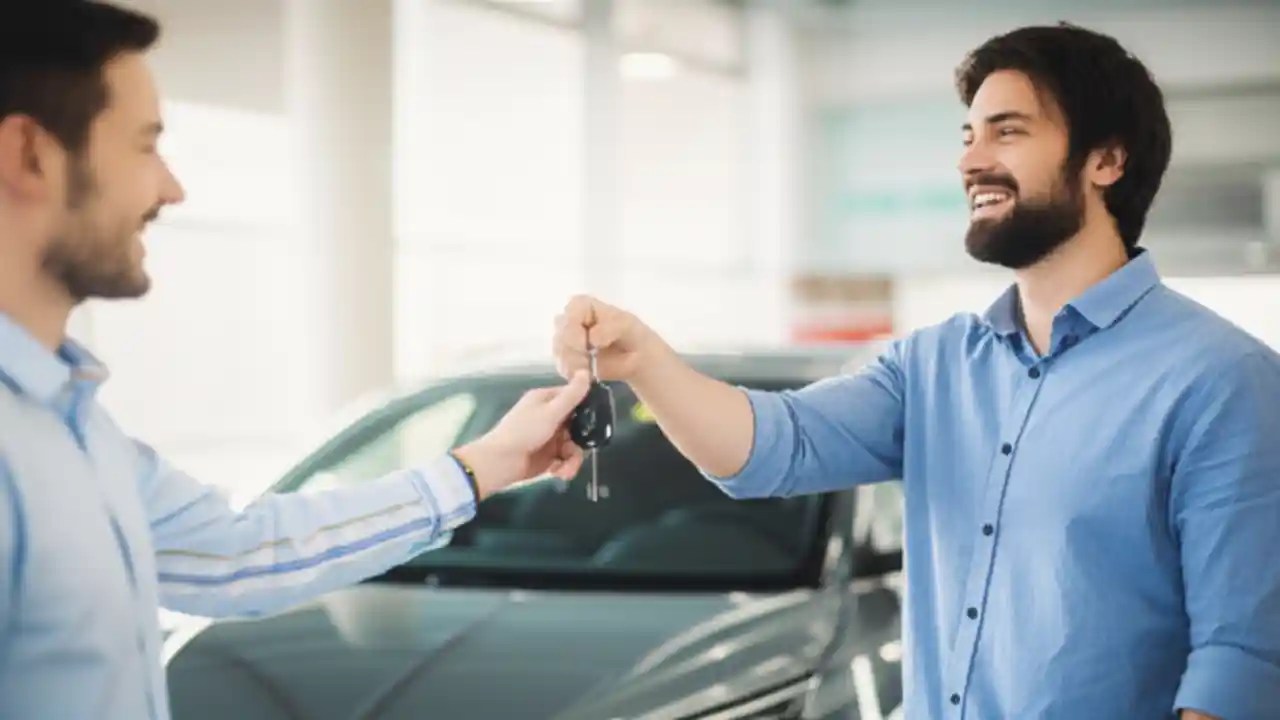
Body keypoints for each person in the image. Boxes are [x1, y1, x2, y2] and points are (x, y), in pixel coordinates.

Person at [554, 23, 1280, 720]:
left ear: (1106, 160)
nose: (969, 161)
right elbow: (770, 448)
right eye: (968, 135)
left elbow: (1242, 659)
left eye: (1008, 130)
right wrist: (644, 358)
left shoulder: (1223, 381)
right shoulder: (931, 364)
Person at [0, 3, 590, 719]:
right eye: (145, 145)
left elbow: (243, 551)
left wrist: (486, 465)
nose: (171, 188)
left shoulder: (74, 428)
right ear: (28, 155)